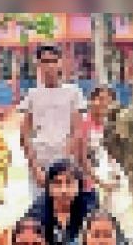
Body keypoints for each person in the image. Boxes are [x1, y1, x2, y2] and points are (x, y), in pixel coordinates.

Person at [19, 44, 86, 196]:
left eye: (53, 61)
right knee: (40, 210)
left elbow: (77, 130)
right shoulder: (32, 95)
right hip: (41, 160)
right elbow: (25, 134)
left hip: (65, 160)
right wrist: (35, 167)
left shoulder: (73, 92)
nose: (49, 66)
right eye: (44, 61)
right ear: (38, 65)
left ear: (60, 62)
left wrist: (66, 161)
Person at [77, 85, 133, 245]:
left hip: (111, 178)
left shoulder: (112, 126)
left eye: (108, 100)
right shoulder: (83, 124)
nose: (103, 103)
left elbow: (115, 155)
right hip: (90, 183)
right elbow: (81, 159)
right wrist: (101, 182)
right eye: (100, 99)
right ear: (91, 101)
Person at [25, 160, 98, 245]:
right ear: (49, 188)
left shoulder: (90, 210)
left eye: (69, 183)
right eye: (57, 183)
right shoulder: (36, 215)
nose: (63, 190)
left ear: (79, 186)